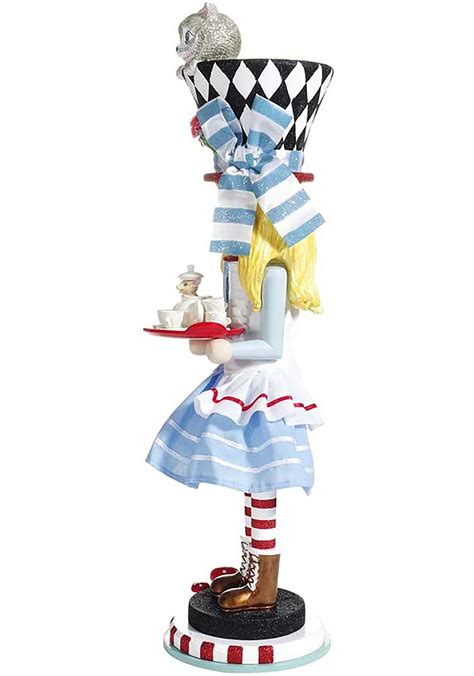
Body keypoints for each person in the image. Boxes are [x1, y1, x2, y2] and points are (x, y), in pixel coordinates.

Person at [147, 206, 324, 612]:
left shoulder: (273, 273)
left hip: (263, 390)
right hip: (239, 378)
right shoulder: (238, 269)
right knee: (250, 482)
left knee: (263, 485)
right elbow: (238, 328)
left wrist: (225, 348)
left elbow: (271, 345)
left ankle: (265, 586)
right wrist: (211, 339)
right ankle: (251, 570)